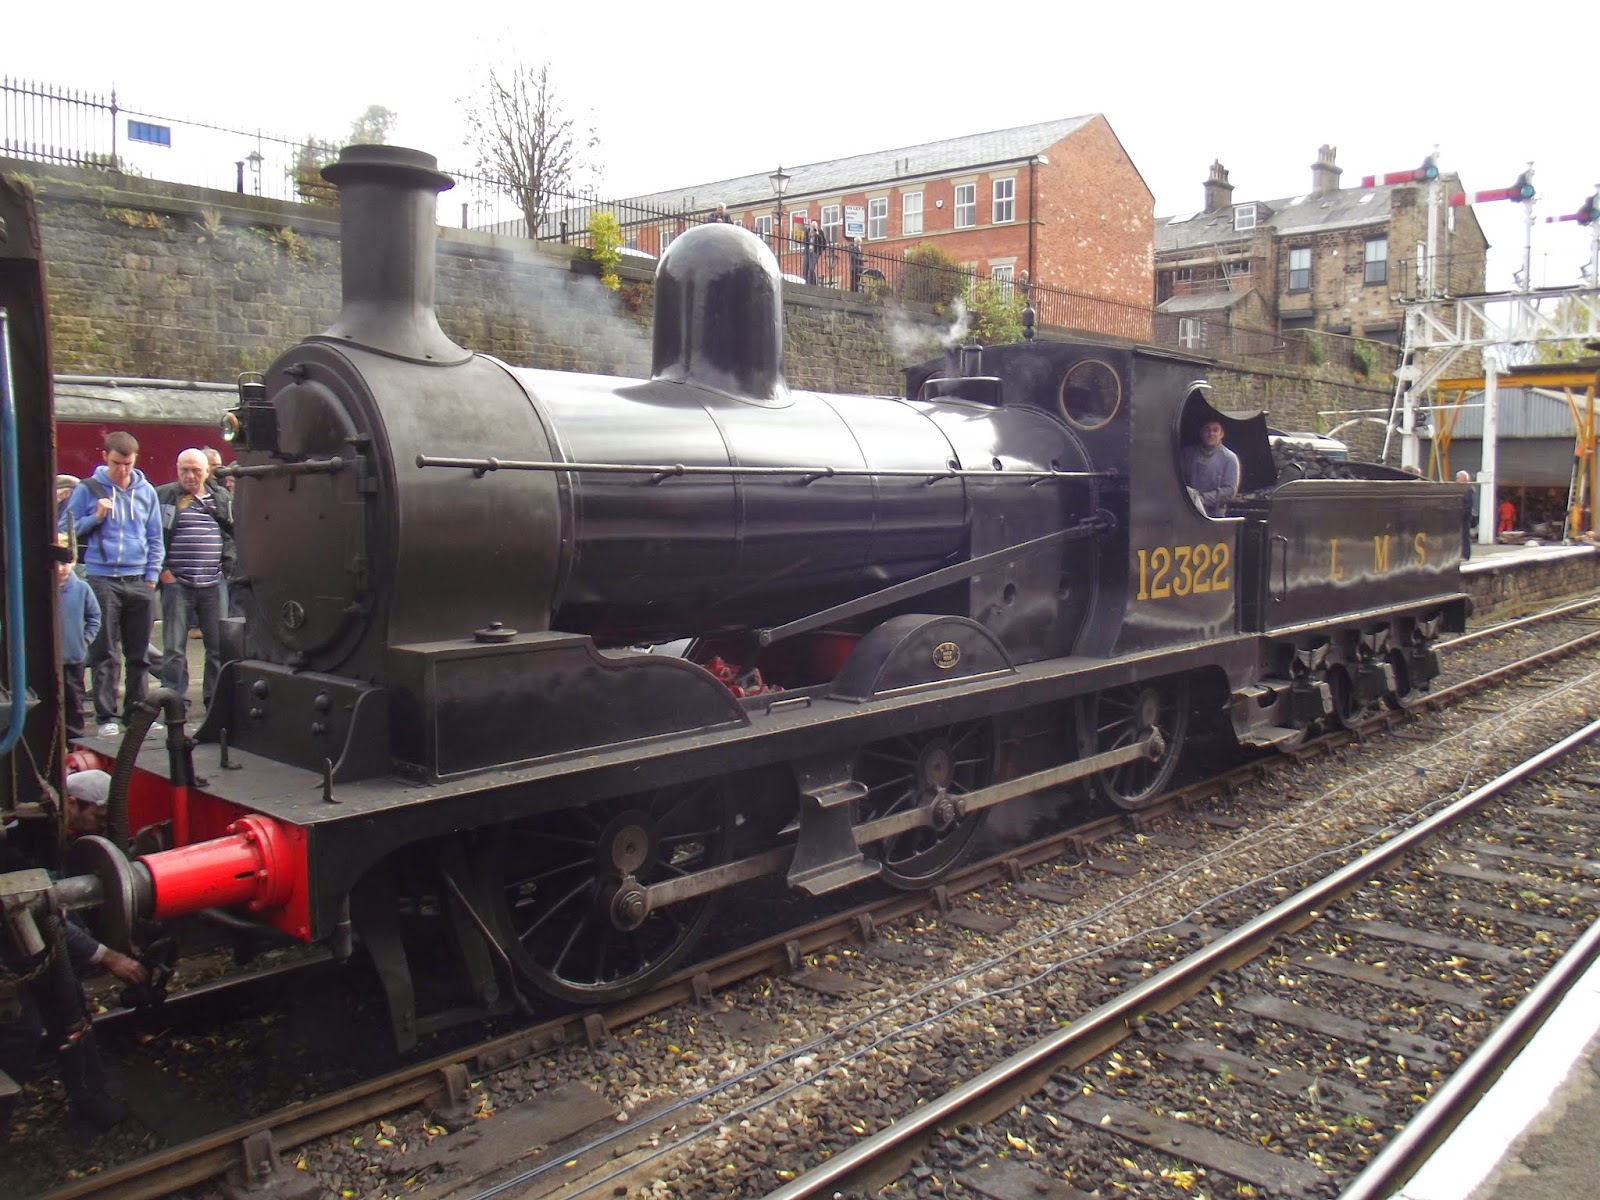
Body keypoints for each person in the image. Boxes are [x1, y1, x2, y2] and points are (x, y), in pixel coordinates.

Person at [0, 771, 147, 1137]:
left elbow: (62, 909)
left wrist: (116, 936)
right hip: (10, 940)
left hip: (33, 936)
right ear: (71, 804)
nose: (97, 825)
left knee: (71, 1011)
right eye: (95, 815)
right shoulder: (19, 845)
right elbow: (41, 908)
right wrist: (107, 957)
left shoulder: (61, 835)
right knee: (22, 1029)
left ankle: (90, 1101)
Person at [57, 432, 163, 737]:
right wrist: (96, 516)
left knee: (139, 653)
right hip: (103, 578)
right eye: (117, 463)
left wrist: (151, 576)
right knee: (106, 652)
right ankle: (107, 717)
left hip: (139, 579)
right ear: (105, 457)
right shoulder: (89, 489)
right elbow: (65, 532)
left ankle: (137, 714)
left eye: (128, 464)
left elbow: (155, 537)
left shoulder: (146, 492)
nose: (123, 471)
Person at [156, 448, 232, 716]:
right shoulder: (164, 496)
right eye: (184, 470)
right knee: (174, 649)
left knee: (217, 646)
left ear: (207, 471)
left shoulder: (221, 497)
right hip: (178, 583)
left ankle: (214, 701)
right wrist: (163, 571)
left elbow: (232, 534)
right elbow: (152, 535)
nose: (189, 476)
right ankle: (175, 703)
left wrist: (227, 565)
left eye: (195, 470)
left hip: (213, 582)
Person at [56, 538, 101, 739]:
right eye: (56, 564)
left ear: (72, 563)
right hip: (51, 658)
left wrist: (85, 640)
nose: (60, 569)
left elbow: (94, 617)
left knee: (74, 700)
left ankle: (75, 739)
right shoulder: (43, 589)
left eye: (64, 564)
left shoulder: (82, 588)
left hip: (74, 657)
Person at [1181, 419, 1240, 517]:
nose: (1211, 433)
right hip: (1186, 512)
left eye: (1215, 430)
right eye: (1207, 430)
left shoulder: (1229, 458)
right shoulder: (1187, 454)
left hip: (1214, 516)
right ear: (1201, 433)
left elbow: (1230, 490)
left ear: (1221, 434)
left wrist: (1201, 499)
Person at [1455, 471, 1477, 560]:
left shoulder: (1467, 490)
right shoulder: (1466, 489)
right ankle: (1462, 554)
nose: (1456, 481)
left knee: (1464, 536)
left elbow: (1467, 505)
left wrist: (1461, 514)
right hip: (1463, 516)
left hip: (1464, 517)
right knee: (1463, 536)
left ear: (1462, 479)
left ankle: (1465, 554)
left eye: (1458, 479)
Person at [801, 219, 820, 285]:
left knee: (811, 269)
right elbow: (804, 241)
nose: (813, 228)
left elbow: (823, 244)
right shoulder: (807, 232)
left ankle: (812, 283)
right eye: (812, 226)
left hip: (814, 253)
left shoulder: (820, 232)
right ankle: (807, 283)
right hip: (807, 252)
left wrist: (817, 234)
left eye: (814, 226)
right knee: (805, 269)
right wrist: (809, 234)